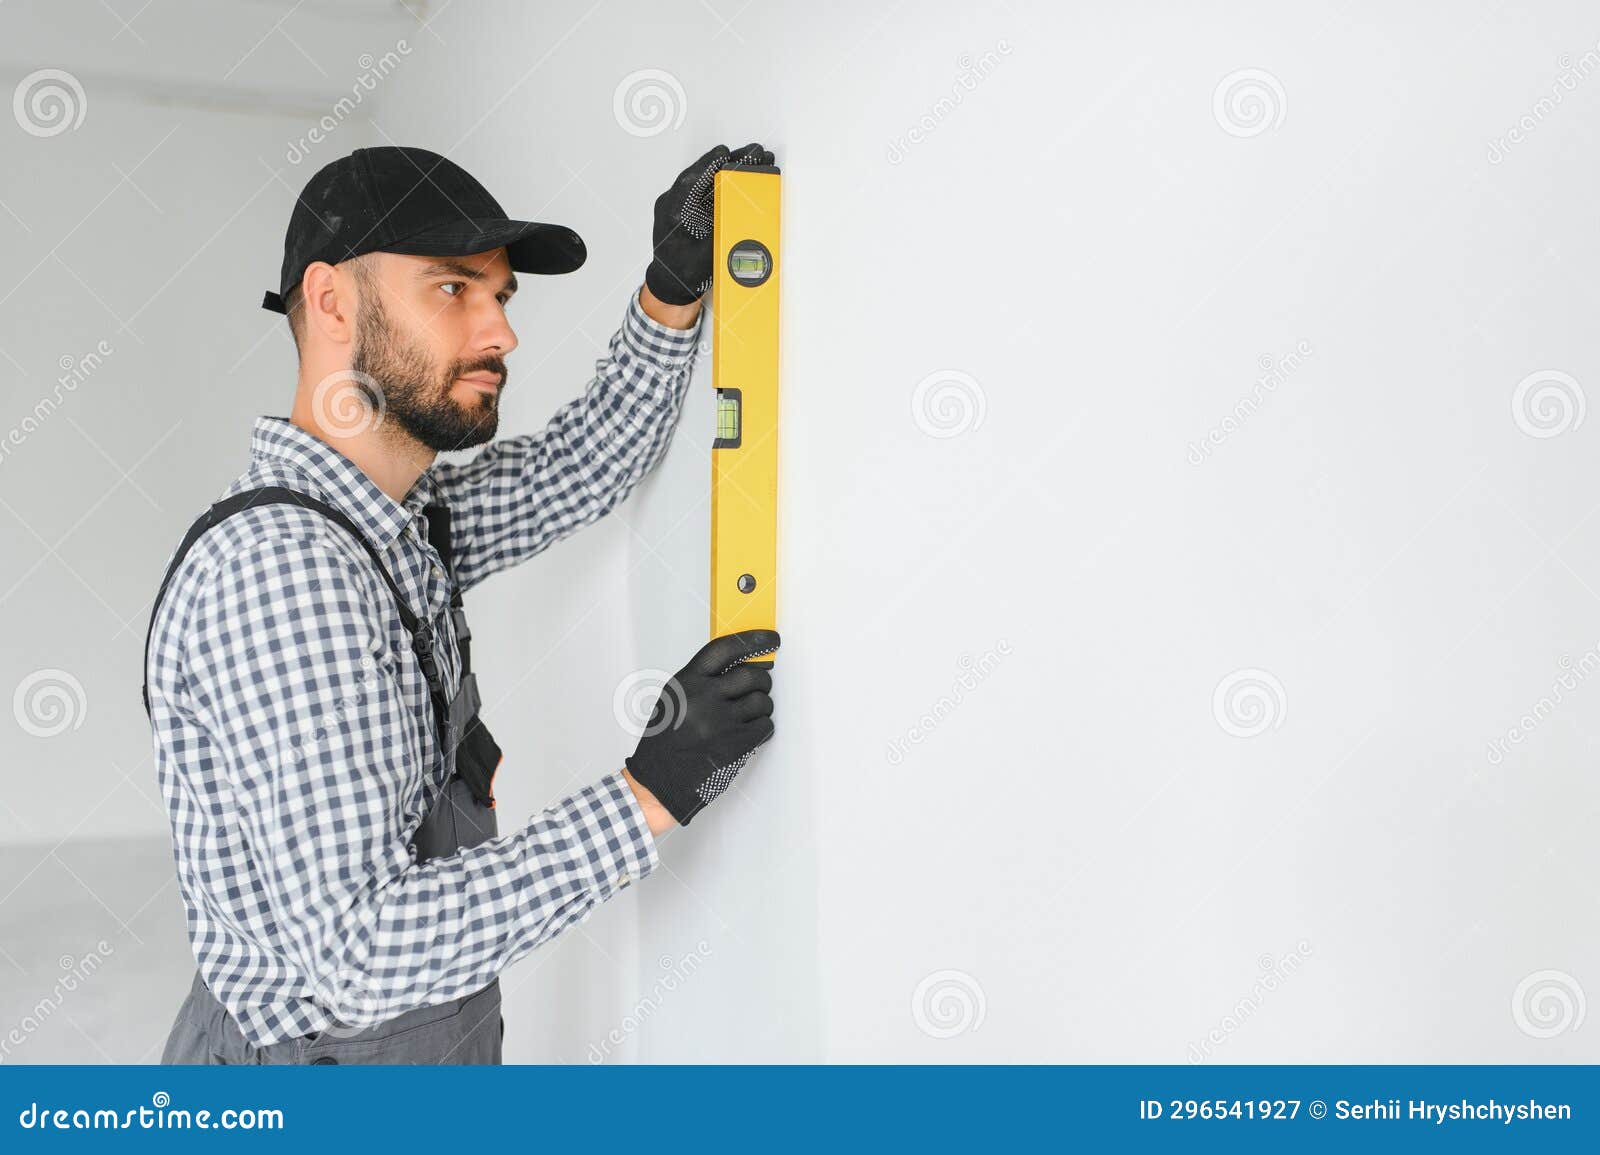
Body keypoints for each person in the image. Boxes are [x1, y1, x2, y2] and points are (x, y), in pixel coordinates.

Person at [145, 143, 779, 1064]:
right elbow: (361, 957)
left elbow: (582, 464)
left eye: (502, 296)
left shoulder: (400, 526)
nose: (501, 332)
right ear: (330, 303)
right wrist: (648, 793)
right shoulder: (286, 571)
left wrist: (670, 291)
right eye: (453, 290)